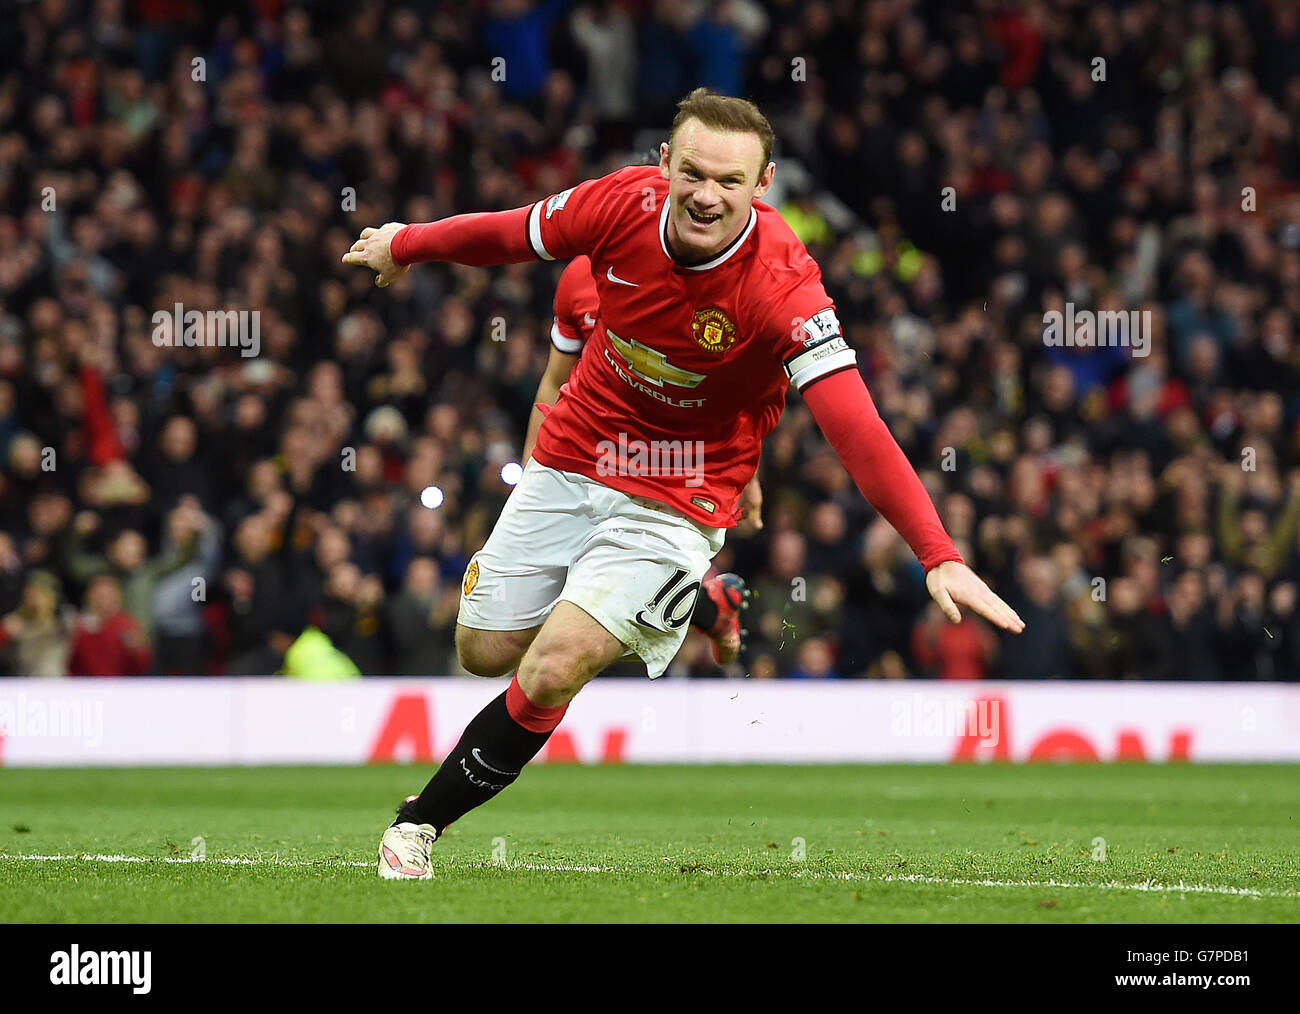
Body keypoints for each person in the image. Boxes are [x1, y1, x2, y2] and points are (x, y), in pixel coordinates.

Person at [344, 88, 1024, 880]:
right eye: (693, 172)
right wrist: (405, 243)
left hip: (687, 489)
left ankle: (418, 825)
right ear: (663, 164)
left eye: (730, 182)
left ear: (763, 184)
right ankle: (702, 599)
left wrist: (935, 552)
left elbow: (858, 427)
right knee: (483, 650)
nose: (708, 195)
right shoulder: (616, 205)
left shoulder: (785, 286)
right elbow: (509, 233)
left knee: (553, 666)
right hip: (577, 453)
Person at [529, 253, 758, 666]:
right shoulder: (581, 275)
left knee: (611, 622)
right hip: (584, 459)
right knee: (553, 616)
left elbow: (732, 402)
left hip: (663, 469)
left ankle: (705, 611)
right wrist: (532, 473)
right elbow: (553, 381)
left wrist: (749, 478)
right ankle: (711, 609)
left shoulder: (698, 286)